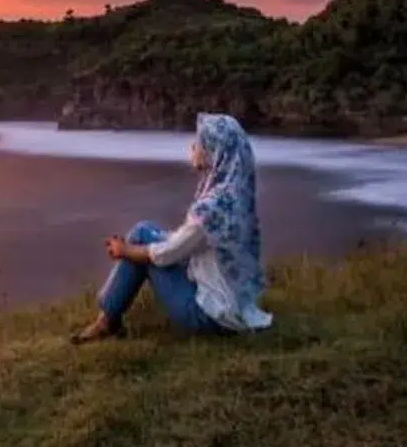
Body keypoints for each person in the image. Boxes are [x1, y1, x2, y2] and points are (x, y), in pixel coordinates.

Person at [71, 112, 273, 343]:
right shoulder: (235, 195)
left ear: (214, 151)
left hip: (209, 317)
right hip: (237, 306)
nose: (193, 147)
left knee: (141, 238)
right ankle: (108, 320)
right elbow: (189, 243)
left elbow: (167, 255)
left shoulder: (213, 208)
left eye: (199, 142)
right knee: (145, 231)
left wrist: (124, 251)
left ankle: (107, 322)